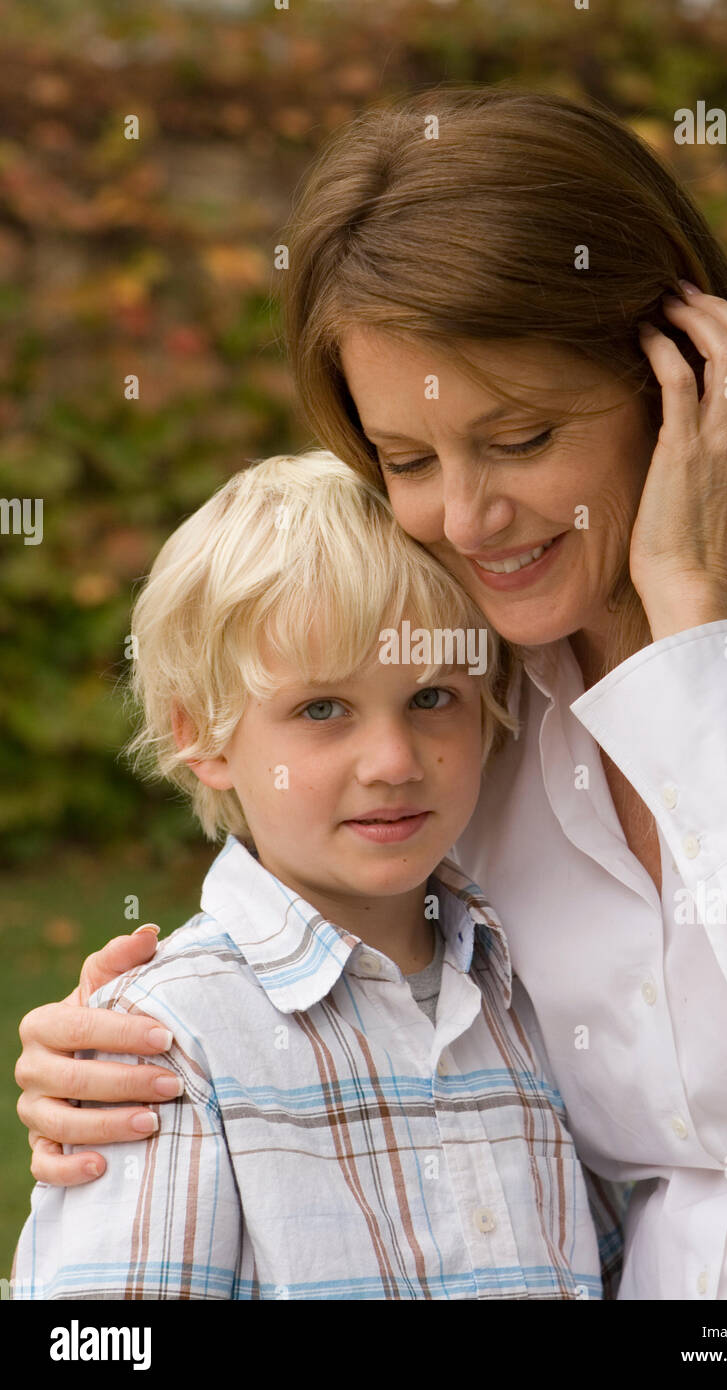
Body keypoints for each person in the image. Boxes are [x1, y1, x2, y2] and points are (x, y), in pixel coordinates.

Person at [14, 85, 727, 1300]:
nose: (465, 520)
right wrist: (133, 1038)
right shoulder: (468, 681)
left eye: (519, 439)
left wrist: (691, 609)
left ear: (680, 375)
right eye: (408, 461)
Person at [11, 450, 619, 1301]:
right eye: (322, 710)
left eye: (433, 696)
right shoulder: (163, 1043)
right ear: (206, 735)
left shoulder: (524, 994)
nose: (393, 760)